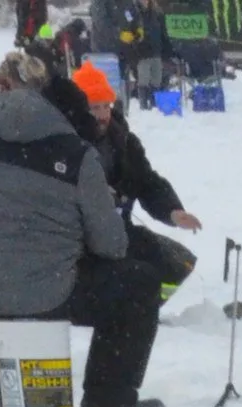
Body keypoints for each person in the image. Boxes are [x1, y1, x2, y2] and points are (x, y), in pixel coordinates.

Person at [0, 46, 164, 407]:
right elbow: (111, 244)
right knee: (139, 284)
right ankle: (108, 399)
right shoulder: (77, 153)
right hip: (47, 291)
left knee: (4, 277)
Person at [67, 60, 202, 299]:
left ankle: (144, 307)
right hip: (76, 245)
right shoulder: (64, 145)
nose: (102, 115)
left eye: (105, 107)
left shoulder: (124, 142)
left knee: (178, 264)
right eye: (94, 108)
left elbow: (148, 182)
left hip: (121, 232)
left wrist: (173, 212)